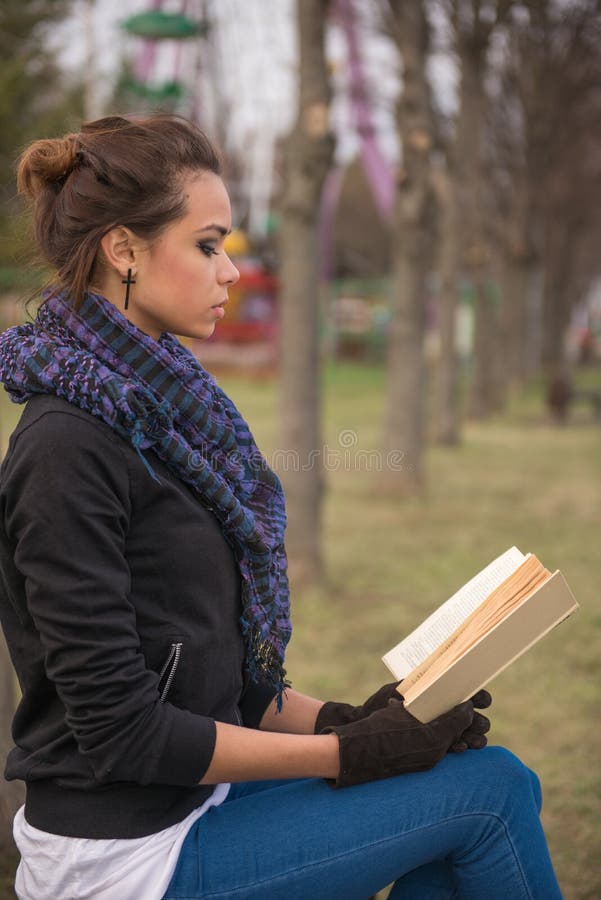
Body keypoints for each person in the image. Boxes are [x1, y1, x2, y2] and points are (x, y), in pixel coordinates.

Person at [0, 114, 562, 900]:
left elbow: (218, 684)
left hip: (192, 803)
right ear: (124, 249)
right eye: (207, 245)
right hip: (121, 852)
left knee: (472, 775)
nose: (229, 270)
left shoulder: (165, 417)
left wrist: (352, 721)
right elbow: (122, 732)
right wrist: (350, 754)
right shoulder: (68, 448)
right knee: (491, 795)